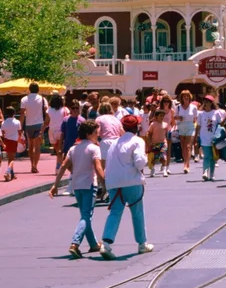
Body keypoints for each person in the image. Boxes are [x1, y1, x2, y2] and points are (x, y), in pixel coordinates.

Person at [100, 115, 153, 259]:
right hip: (131, 181)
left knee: (115, 212)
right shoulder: (137, 141)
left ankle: (106, 243)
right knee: (137, 213)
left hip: (113, 183)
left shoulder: (114, 143)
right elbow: (139, 162)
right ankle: (142, 243)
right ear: (137, 127)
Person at [50, 120, 105, 258]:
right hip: (89, 185)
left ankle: (93, 244)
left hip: (77, 186)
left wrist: (55, 185)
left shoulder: (73, 149)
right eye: (96, 133)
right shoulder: (94, 148)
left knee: (85, 216)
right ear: (89, 134)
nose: (98, 135)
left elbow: (63, 166)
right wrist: (105, 184)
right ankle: (75, 243)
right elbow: (98, 167)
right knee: (86, 216)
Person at [19, 82, 47, 174]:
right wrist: (46, 123)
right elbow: (46, 112)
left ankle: (32, 165)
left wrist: (20, 126)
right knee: (37, 146)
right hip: (39, 124)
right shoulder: (42, 99)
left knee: (30, 146)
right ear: (38, 89)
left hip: (28, 125)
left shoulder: (24, 99)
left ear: (29, 89)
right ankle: (35, 165)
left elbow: (22, 113)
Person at [196, 95, 224, 181]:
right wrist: (196, 136)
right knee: (206, 156)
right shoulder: (201, 114)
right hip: (204, 138)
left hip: (214, 138)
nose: (205, 103)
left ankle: (211, 174)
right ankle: (205, 172)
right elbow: (198, 126)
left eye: (207, 101)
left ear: (211, 103)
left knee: (213, 157)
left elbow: (220, 124)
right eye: (204, 101)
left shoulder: (216, 113)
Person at [174, 90, 198, 174]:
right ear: (182, 98)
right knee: (183, 146)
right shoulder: (178, 107)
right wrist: (178, 118)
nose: (186, 97)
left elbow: (195, 119)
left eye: (187, 96)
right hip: (181, 126)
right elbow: (174, 117)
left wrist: (196, 127)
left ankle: (186, 165)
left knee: (188, 146)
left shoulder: (194, 107)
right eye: (184, 96)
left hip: (190, 127)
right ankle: (186, 161)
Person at [47, 94, 69, 173]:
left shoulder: (49, 110)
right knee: (60, 151)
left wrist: (41, 131)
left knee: (57, 150)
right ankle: (59, 166)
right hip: (61, 131)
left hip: (52, 131)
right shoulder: (65, 109)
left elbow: (46, 122)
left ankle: (58, 165)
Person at [0, 106, 22, 182]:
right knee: (12, 159)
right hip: (14, 141)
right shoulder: (17, 122)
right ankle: (8, 172)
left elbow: (2, 133)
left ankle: (12, 174)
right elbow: (19, 133)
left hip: (6, 141)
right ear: (14, 113)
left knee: (9, 158)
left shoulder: (3, 122)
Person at [148, 109, 168, 177]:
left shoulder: (165, 124)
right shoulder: (153, 124)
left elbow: (166, 133)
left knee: (163, 156)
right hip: (155, 143)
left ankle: (164, 170)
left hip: (163, 143)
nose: (162, 117)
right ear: (156, 116)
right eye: (160, 116)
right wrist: (150, 142)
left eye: (163, 116)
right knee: (155, 157)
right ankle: (152, 169)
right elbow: (149, 134)